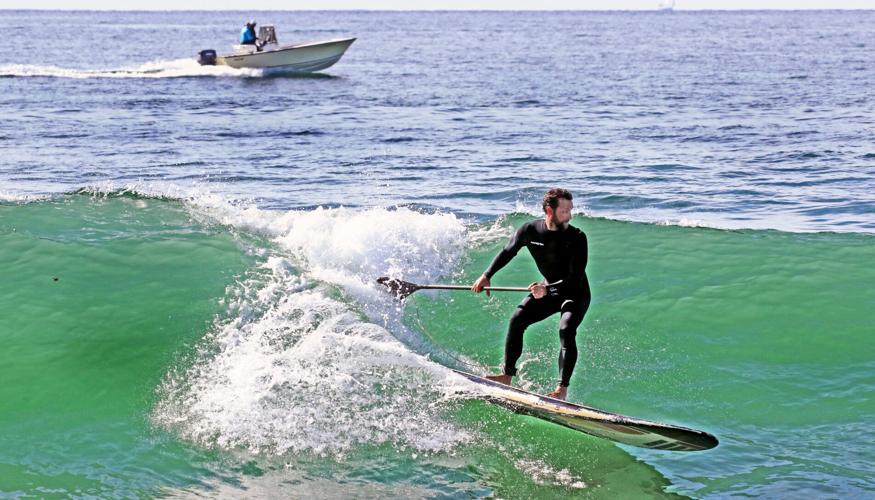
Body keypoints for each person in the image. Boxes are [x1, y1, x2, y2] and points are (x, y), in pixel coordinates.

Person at [471, 188, 591, 400]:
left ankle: (561, 390)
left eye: (570, 210)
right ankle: (507, 376)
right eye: (564, 211)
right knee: (517, 319)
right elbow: (508, 251)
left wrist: (547, 290)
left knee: (566, 329)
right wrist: (487, 275)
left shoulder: (578, 237)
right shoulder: (530, 230)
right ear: (549, 210)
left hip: (575, 293)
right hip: (548, 290)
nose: (569, 216)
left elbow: (575, 278)